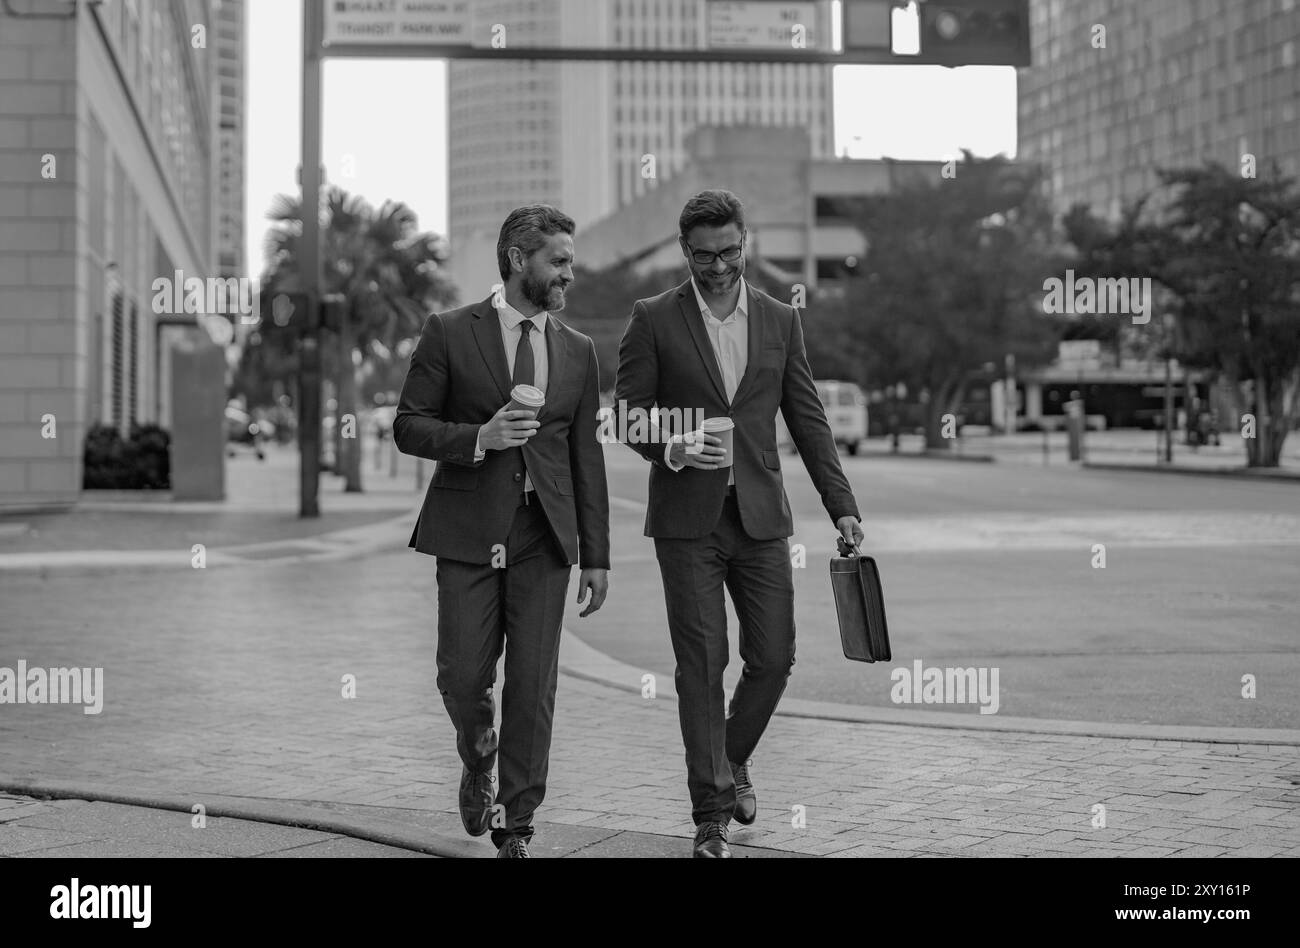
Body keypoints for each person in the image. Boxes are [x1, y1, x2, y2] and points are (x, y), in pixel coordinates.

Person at [615, 189, 864, 858]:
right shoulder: (654, 318)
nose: (719, 266)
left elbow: (807, 419)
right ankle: (710, 817)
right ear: (684, 251)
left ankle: (730, 757)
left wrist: (842, 505)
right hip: (686, 521)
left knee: (774, 658)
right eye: (704, 255)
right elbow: (628, 413)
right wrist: (671, 444)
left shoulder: (781, 320)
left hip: (760, 519)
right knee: (701, 664)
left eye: (729, 252)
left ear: (745, 242)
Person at [394, 205, 610, 859]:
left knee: (535, 682)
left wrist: (596, 556)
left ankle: (517, 821)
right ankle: (477, 751)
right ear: (520, 260)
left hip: (544, 536)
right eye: (560, 261)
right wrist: (478, 439)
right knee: (461, 677)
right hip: (466, 530)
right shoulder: (450, 332)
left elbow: (585, 460)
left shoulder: (576, 352)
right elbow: (409, 425)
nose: (570, 272)